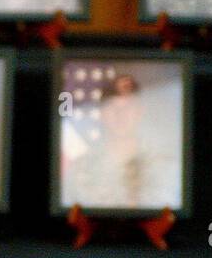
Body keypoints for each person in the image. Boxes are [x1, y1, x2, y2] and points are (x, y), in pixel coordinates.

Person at [63, 74, 178, 210]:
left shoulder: (166, 168)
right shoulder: (80, 171)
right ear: (102, 113)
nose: (120, 115)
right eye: (112, 107)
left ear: (139, 112)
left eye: (128, 106)